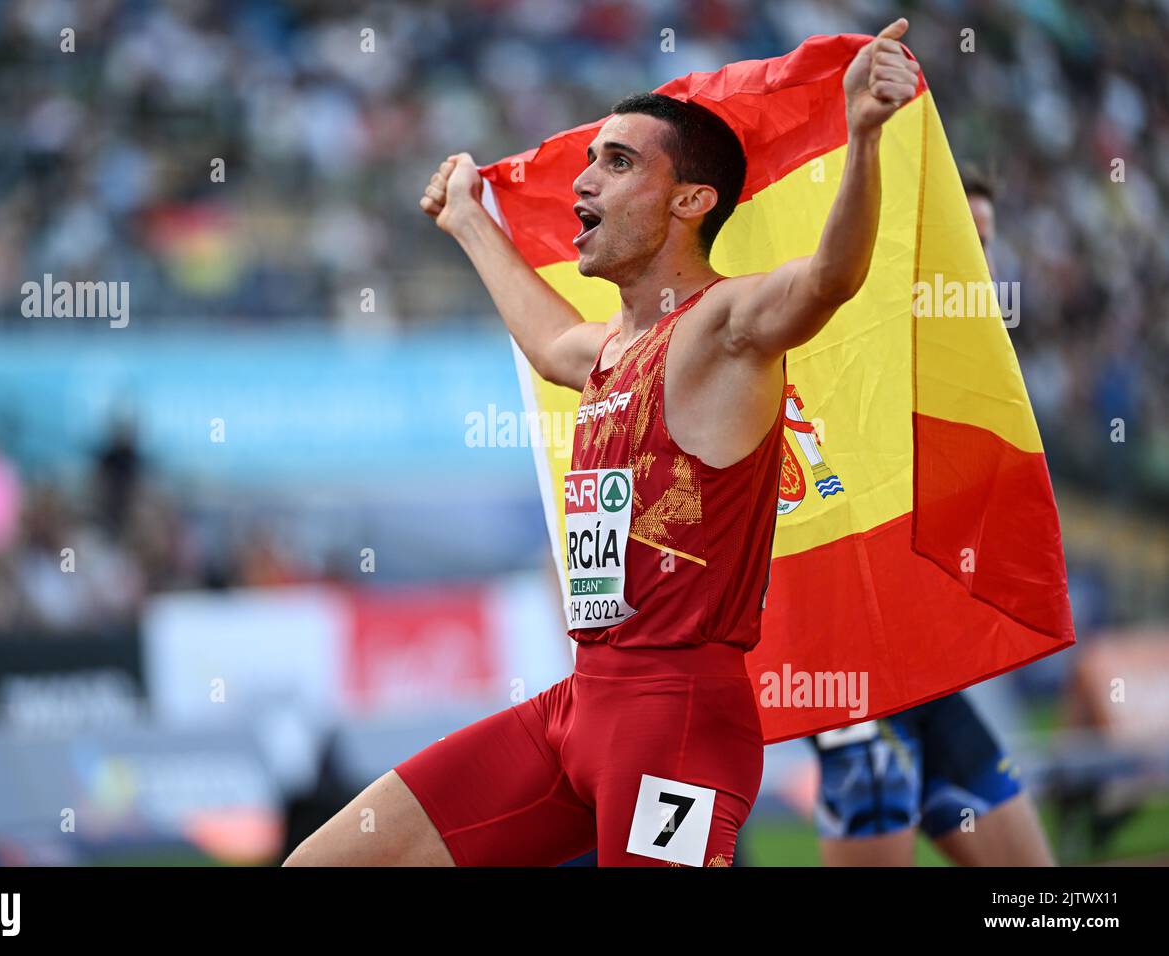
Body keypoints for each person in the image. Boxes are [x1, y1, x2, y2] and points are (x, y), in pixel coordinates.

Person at [285, 19, 922, 867]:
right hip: (579, 706)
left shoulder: (721, 328)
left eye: (617, 162)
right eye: (592, 160)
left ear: (691, 201)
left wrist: (864, 137)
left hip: (680, 726)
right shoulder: (609, 350)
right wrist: (472, 222)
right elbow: (551, 347)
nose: (584, 180)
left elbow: (830, 279)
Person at [810, 170, 1054, 867]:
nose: (979, 258)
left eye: (988, 241)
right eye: (964, 236)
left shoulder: (972, 363)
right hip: (853, 681)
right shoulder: (862, 336)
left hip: (930, 680)